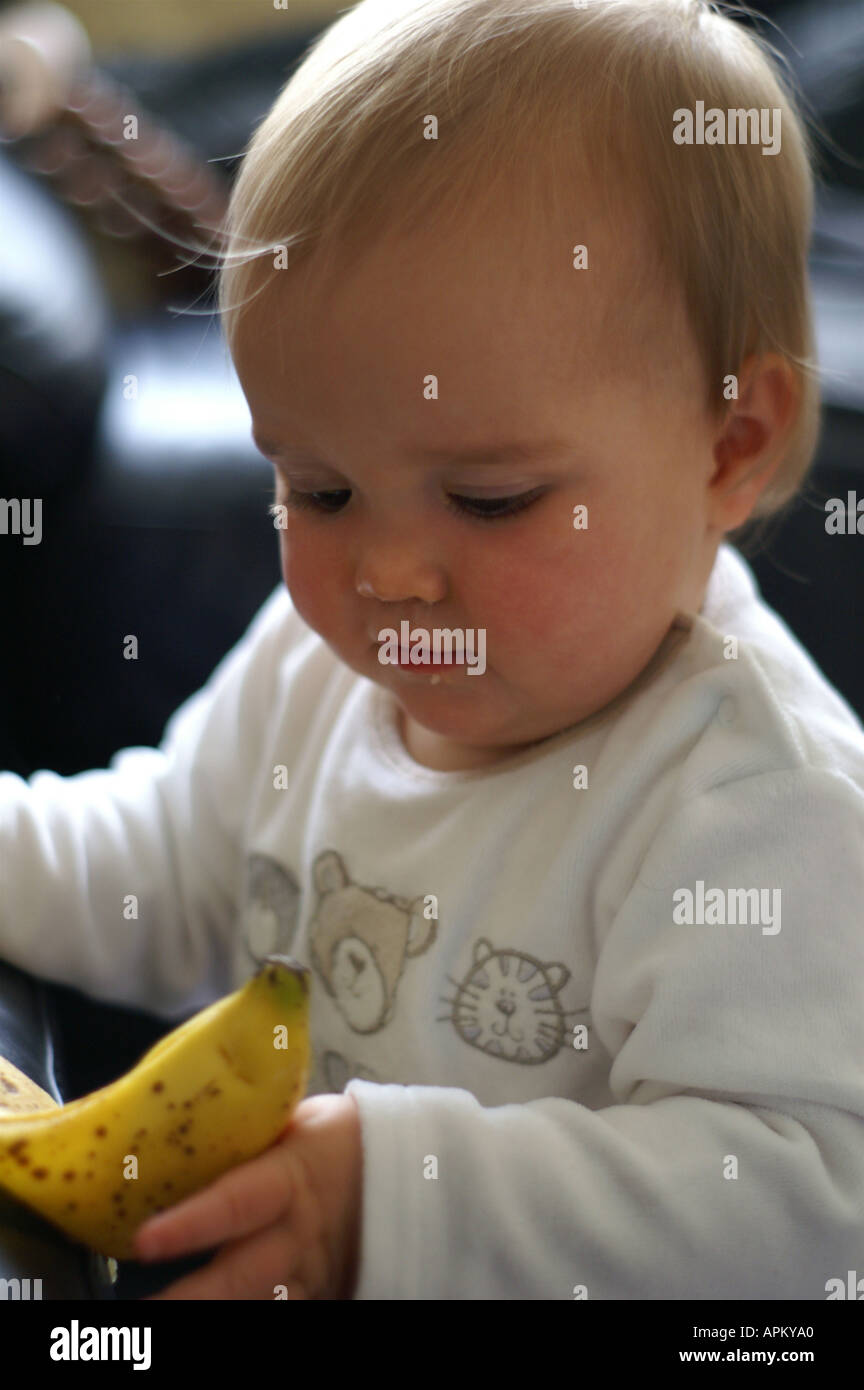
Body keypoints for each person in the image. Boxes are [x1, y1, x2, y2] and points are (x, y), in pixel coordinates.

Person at [3, 0, 864, 1300]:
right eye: (320, 488)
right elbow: (157, 864)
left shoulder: (763, 809)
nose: (383, 571)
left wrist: (398, 1200)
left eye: (490, 498)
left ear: (728, 443)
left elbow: (806, 1200)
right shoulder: (316, 661)